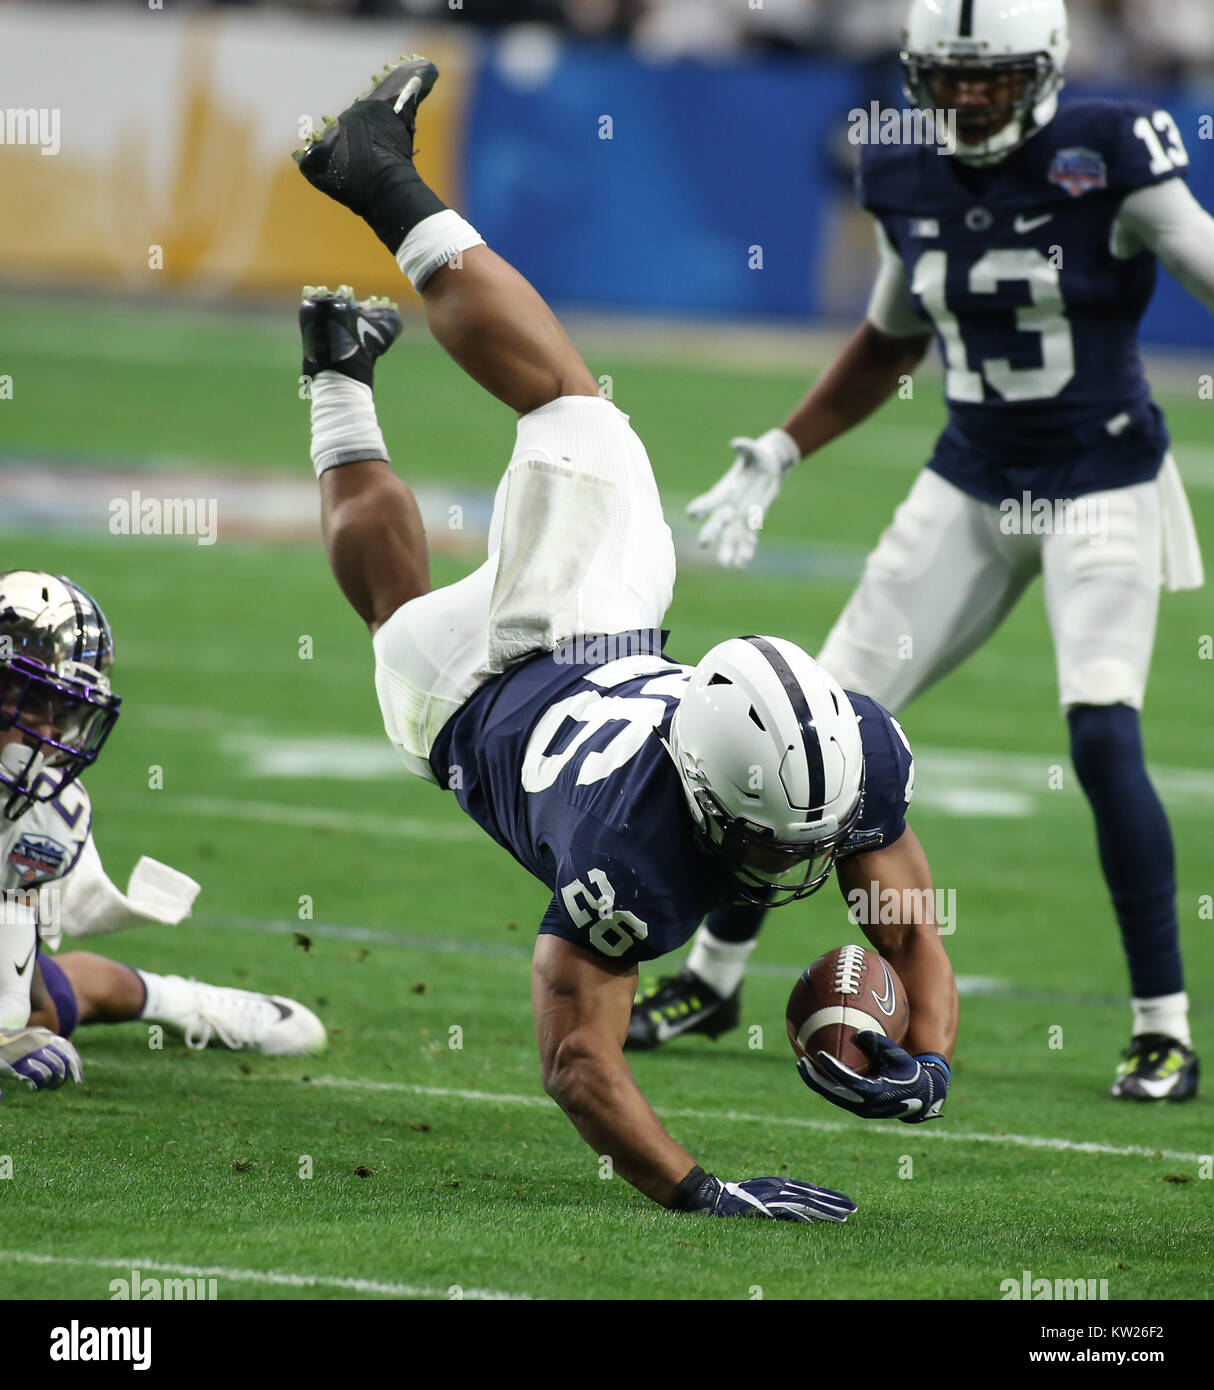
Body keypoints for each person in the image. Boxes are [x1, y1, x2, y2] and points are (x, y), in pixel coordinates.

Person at [294, 56, 958, 1222]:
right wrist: (698, 1190)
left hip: (469, 686)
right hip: (531, 678)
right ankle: (375, 176)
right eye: (763, 840)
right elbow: (575, 1060)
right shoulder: (632, 856)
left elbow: (905, 926)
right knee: (573, 413)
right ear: (701, 786)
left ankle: (337, 374)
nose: (788, 864)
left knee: (405, 625)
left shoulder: (838, 752)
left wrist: (932, 1058)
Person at [658, 0, 1210, 1101]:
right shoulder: (901, 168)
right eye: (943, 77)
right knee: (799, 731)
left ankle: (1161, 1024)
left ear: (1044, 68)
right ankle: (711, 976)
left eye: (987, 77)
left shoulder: (1108, 145)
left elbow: (1200, 254)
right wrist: (780, 444)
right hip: (966, 479)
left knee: (1101, 735)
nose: (961, 99)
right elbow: (889, 336)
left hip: (1099, 481)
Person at [0, 571, 325, 1102]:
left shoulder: (49, 813)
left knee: (47, 1012)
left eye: (66, 711)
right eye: (35, 703)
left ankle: (172, 1000)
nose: (50, 734)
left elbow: (18, 981)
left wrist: (8, 1026)